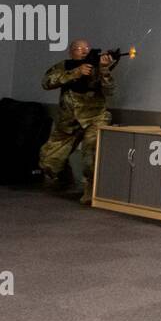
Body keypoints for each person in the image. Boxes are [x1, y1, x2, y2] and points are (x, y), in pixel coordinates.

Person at [38, 39, 117, 204]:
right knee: (48, 161)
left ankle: (91, 191)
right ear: (71, 51)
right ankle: (62, 177)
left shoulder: (97, 66)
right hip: (68, 121)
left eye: (87, 48)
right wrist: (76, 73)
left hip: (94, 118)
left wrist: (104, 69)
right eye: (79, 48)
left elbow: (110, 90)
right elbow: (47, 82)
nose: (84, 51)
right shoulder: (64, 65)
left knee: (91, 157)